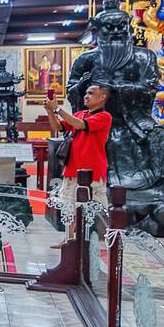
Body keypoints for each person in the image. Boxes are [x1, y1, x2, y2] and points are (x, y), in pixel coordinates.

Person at [47, 82, 111, 237]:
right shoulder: (80, 113)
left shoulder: (104, 116)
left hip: (92, 169)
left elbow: (80, 125)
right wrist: (50, 111)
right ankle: (69, 239)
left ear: (102, 97)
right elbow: (59, 127)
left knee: (97, 206)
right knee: (69, 205)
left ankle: (105, 238)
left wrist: (57, 109)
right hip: (72, 167)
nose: (86, 96)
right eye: (86, 93)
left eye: (90, 93)